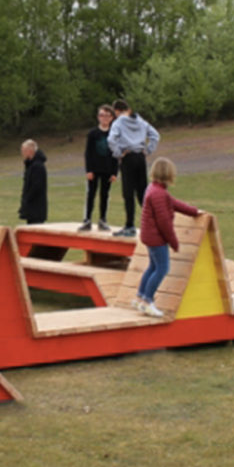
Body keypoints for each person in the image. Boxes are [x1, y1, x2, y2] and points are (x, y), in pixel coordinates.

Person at [134, 158, 201, 318]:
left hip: (149, 236)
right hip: (156, 238)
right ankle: (147, 302)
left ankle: (140, 297)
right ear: (168, 174)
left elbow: (174, 203)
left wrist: (194, 211)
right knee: (162, 268)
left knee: (152, 267)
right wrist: (174, 242)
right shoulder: (158, 194)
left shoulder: (154, 189)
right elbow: (164, 223)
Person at [107, 99, 159, 238]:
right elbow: (155, 135)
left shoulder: (118, 122)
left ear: (117, 111)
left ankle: (130, 226)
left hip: (128, 157)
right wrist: (147, 151)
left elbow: (111, 140)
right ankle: (152, 224)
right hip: (140, 158)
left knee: (128, 193)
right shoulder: (141, 121)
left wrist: (118, 153)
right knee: (143, 193)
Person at [79, 104, 118, 232]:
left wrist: (115, 172)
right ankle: (87, 220)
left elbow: (116, 153)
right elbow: (88, 153)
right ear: (98, 117)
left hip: (107, 169)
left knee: (104, 195)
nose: (104, 118)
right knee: (91, 194)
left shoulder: (114, 134)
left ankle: (102, 220)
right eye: (102, 115)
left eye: (107, 116)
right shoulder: (93, 134)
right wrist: (88, 170)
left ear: (112, 118)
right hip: (94, 170)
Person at [18, 139, 48, 225]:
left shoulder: (38, 166)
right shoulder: (30, 165)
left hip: (36, 207)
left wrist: (27, 198)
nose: (22, 153)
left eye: (23, 151)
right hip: (30, 207)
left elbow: (36, 186)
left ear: (30, 151)